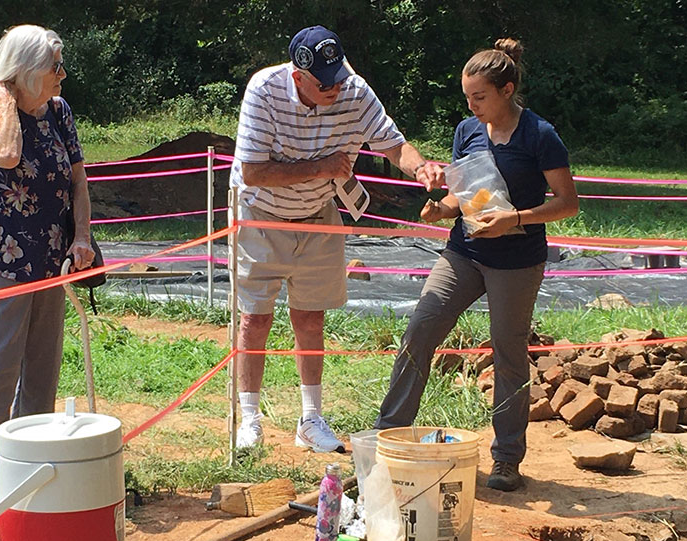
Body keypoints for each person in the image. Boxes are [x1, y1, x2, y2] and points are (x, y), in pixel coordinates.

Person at [375, 38, 579, 491]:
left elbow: (567, 204)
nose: (472, 105)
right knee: (420, 331)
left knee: (508, 355)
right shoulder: (467, 131)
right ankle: (386, 435)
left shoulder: (540, 136)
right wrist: (442, 210)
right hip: (464, 252)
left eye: (480, 96)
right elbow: (466, 193)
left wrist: (517, 218)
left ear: (507, 90)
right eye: (467, 97)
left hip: (517, 262)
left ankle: (506, 459)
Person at [230, 25, 445, 452]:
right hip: (260, 215)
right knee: (255, 320)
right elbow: (253, 171)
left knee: (310, 319)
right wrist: (322, 166)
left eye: (338, 76)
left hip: (319, 215)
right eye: (323, 82)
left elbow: (393, 144)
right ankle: (249, 419)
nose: (334, 87)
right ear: (297, 77)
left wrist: (420, 167)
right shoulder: (264, 90)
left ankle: (311, 420)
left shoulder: (355, 89)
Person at [0, 24, 94, 517]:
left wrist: (81, 237)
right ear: (27, 72)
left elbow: (78, 179)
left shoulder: (60, 111)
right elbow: (7, 154)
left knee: (41, 370)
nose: (63, 76)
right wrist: (8, 99)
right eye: (54, 68)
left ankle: (24, 466)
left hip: (51, 257)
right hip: (1, 259)